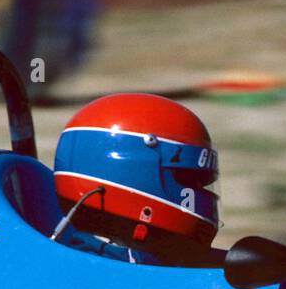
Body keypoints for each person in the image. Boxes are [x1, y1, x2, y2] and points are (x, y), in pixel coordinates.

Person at [52, 94, 223, 266]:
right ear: (135, 172)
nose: (199, 191)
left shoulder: (93, 260)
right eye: (188, 178)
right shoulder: (108, 272)